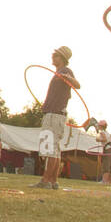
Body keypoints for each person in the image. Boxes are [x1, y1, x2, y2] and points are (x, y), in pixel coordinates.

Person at [34, 47, 79, 190]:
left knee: (50, 147)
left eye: (56, 55)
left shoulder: (65, 71)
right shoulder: (59, 72)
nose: (53, 57)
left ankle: (46, 180)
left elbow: (77, 85)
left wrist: (68, 78)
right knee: (55, 148)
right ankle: (53, 181)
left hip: (54, 114)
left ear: (62, 58)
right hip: (56, 113)